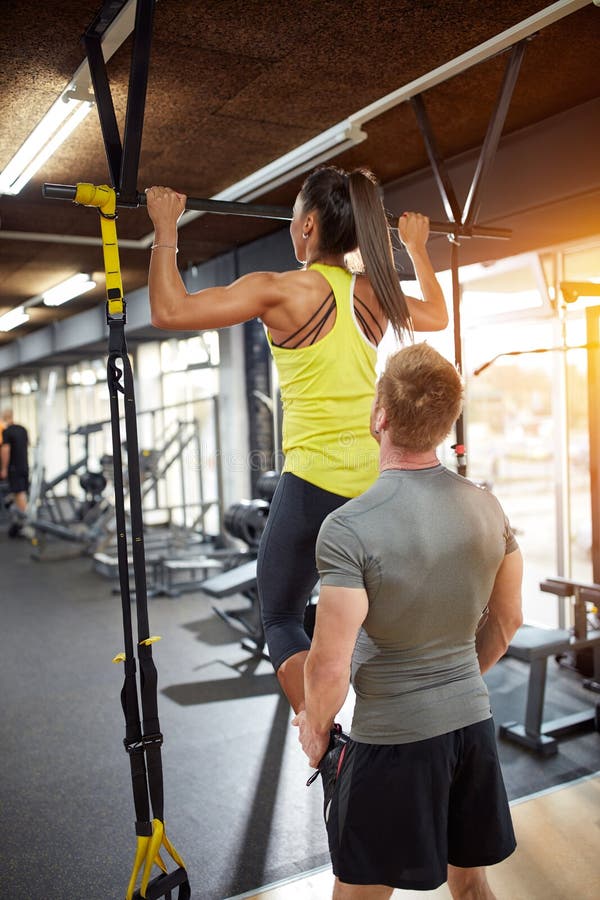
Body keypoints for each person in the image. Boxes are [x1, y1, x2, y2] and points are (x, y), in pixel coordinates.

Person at [145, 166, 448, 712]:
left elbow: (169, 310)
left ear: (308, 226)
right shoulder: (372, 293)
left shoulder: (279, 289)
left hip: (314, 484)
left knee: (282, 617)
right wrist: (417, 248)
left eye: (292, 219)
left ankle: (323, 740)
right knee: (376, 618)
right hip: (379, 486)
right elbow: (438, 314)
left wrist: (166, 228)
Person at [293, 342, 523, 900]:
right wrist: (458, 681)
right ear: (445, 424)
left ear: (380, 417)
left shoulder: (348, 527)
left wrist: (315, 728)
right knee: (471, 889)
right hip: (472, 728)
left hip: (394, 743)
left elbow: (329, 665)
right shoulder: (486, 505)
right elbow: (509, 617)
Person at [0, 408, 30, 536]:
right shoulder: (23, 429)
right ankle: (18, 519)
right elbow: (28, 444)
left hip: (14, 467)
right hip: (24, 465)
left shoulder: (7, 432)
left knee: (19, 494)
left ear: (4, 418)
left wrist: (4, 469)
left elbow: (5, 450)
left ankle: (27, 525)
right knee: (20, 493)